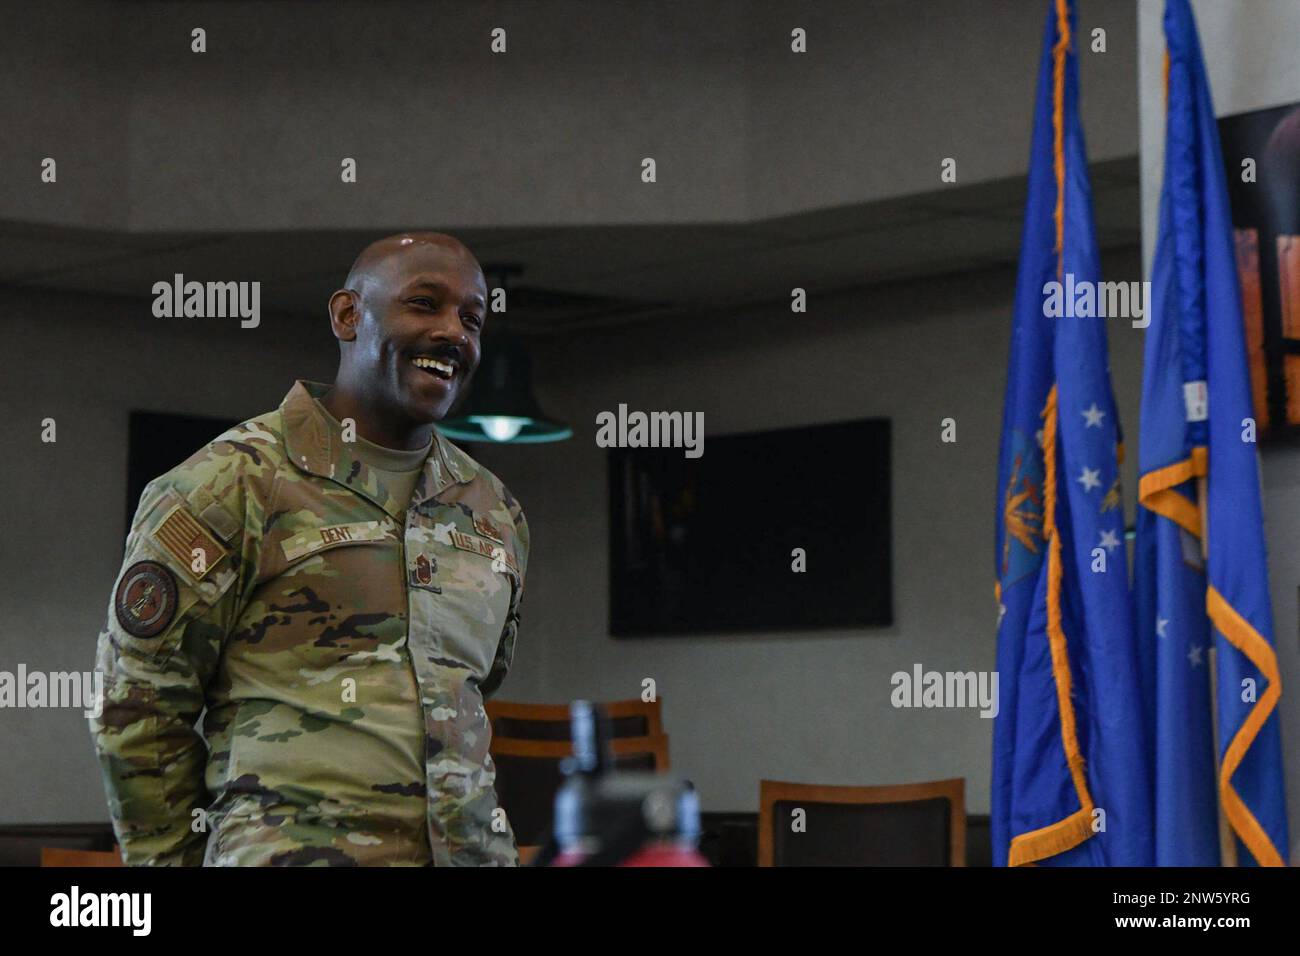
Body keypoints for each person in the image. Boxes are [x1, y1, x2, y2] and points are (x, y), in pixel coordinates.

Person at [89, 232, 529, 866]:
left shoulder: (494, 511)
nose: (452, 333)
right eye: (424, 304)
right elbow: (138, 702)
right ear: (348, 316)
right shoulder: (232, 483)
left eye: (471, 318)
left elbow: (474, 695)